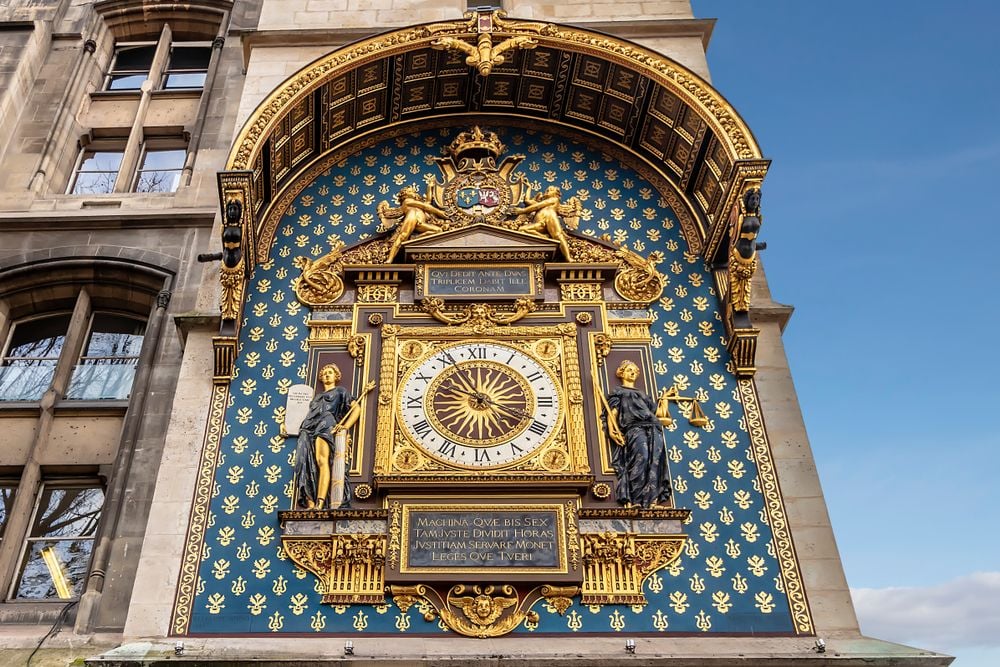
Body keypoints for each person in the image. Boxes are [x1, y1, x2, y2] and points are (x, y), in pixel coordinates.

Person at [603, 360, 671, 508]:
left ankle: (652, 502)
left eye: (634, 370)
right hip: (634, 428)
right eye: (629, 370)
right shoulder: (619, 392)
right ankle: (637, 499)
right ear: (621, 373)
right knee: (641, 458)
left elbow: (658, 413)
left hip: (654, 428)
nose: (632, 372)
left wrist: (664, 399)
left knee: (654, 463)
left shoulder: (643, 394)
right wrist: (612, 429)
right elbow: (612, 413)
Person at [293, 364, 357, 509]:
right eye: (325, 373)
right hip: (308, 428)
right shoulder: (316, 397)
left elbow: (356, 409)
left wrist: (345, 426)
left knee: (322, 461)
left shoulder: (340, 391)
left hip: (325, 424)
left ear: (336, 376)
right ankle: (310, 500)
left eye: (330, 373)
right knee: (306, 462)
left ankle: (320, 502)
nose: (327, 375)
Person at [378, 186, 447, 263]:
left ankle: (414, 238)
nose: (414, 193)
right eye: (410, 191)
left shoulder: (416, 203)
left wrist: (429, 188)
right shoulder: (407, 201)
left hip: (420, 223)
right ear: (405, 195)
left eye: (413, 191)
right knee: (402, 237)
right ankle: (390, 259)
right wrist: (439, 212)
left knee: (438, 231)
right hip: (412, 217)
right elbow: (425, 206)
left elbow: (427, 203)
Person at [513, 186, 580, 261]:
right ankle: (546, 238)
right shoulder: (542, 204)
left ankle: (568, 258)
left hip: (550, 219)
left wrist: (522, 211)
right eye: (547, 190)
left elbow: (537, 206)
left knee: (558, 236)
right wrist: (529, 187)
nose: (548, 191)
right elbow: (527, 201)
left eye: (551, 190)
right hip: (540, 224)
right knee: (521, 230)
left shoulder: (554, 199)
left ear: (556, 194)